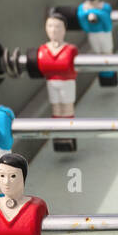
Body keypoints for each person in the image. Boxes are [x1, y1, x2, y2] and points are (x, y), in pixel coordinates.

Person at [37, 10, 78, 152]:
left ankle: (68, 137)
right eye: (50, 26)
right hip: (52, 83)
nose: (53, 30)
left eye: (57, 26)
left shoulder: (70, 49)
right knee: (56, 110)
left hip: (67, 83)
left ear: (64, 29)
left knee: (67, 109)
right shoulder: (43, 49)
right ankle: (59, 137)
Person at [76, 0, 118, 87]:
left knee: (107, 54)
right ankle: (103, 78)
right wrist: (87, 14)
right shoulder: (83, 9)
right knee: (97, 55)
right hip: (93, 35)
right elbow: (84, 26)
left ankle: (111, 77)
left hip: (104, 34)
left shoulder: (105, 7)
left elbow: (108, 26)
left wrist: (96, 12)